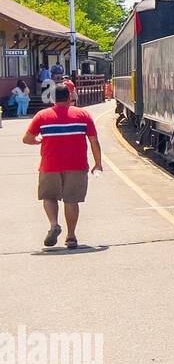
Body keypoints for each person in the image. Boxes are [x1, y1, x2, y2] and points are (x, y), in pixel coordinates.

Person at [23, 83, 101, 248]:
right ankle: (71, 236)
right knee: (71, 200)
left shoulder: (42, 116)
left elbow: (27, 139)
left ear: (52, 99)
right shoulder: (83, 115)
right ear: (69, 97)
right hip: (77, 165)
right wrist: (98, 163)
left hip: (49, 165)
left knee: (49, 197)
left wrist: (38, 140)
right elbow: (94, 141)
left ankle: (53, 224)